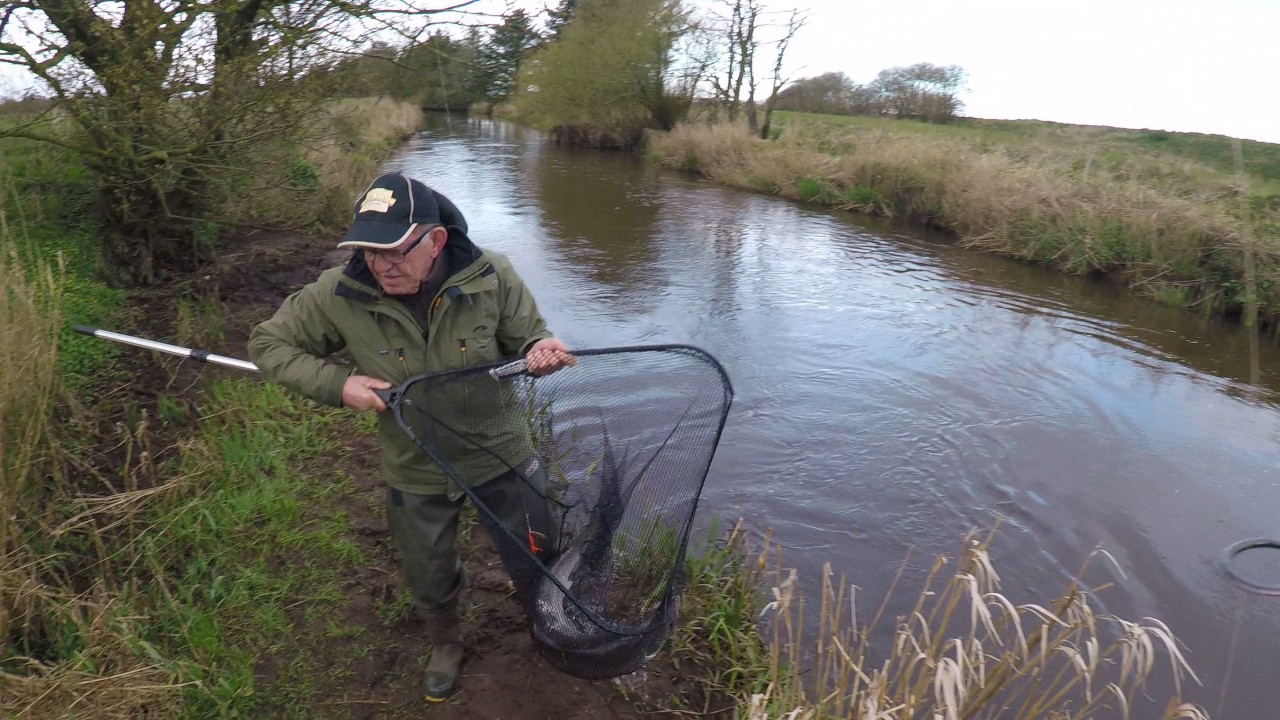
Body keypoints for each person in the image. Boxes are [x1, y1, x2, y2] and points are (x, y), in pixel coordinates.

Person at [247, 172, 574, 702]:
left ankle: (549, 617)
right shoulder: (338, 293)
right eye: (370, 252)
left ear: (436, 239)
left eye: (396, 251)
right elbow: (268, 343)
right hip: (416, 461)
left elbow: (530, 336)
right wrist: (338, 383)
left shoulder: (492, 275)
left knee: (539, 546)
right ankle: (445, 642)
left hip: (500, 450)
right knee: (427, 569)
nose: (382, 265)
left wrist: (543, 351)